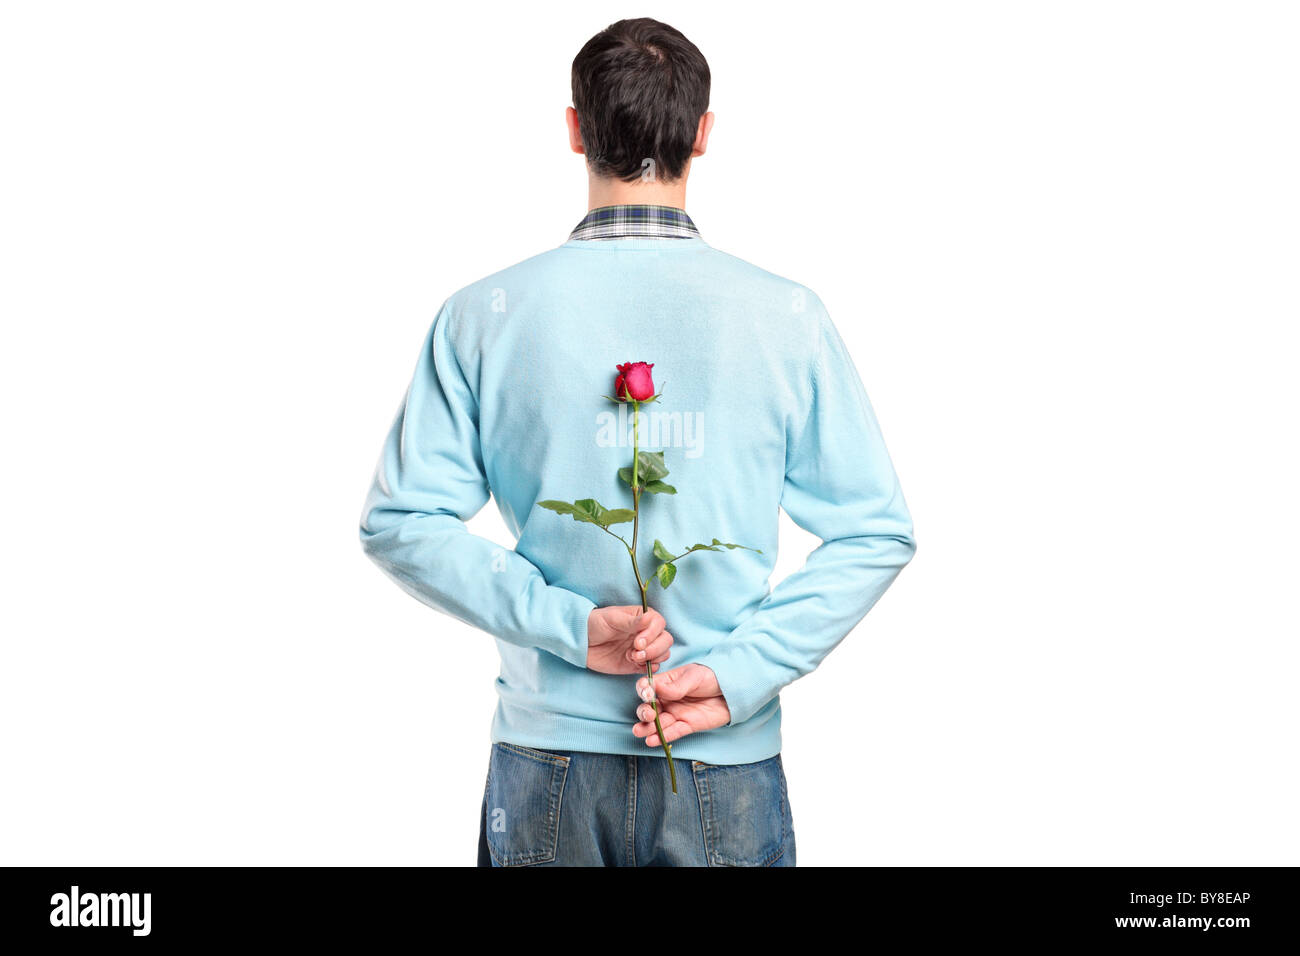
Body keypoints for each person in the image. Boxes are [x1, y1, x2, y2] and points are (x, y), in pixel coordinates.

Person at [359, 17, 915, 867]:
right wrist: (738, 673)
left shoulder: (482, 315)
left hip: (545, 760)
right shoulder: (787, 316)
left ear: (575, 129)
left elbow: (400, 522)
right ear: (703, 134)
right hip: (720, 755)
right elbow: (875, 531)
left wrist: (567, 625)